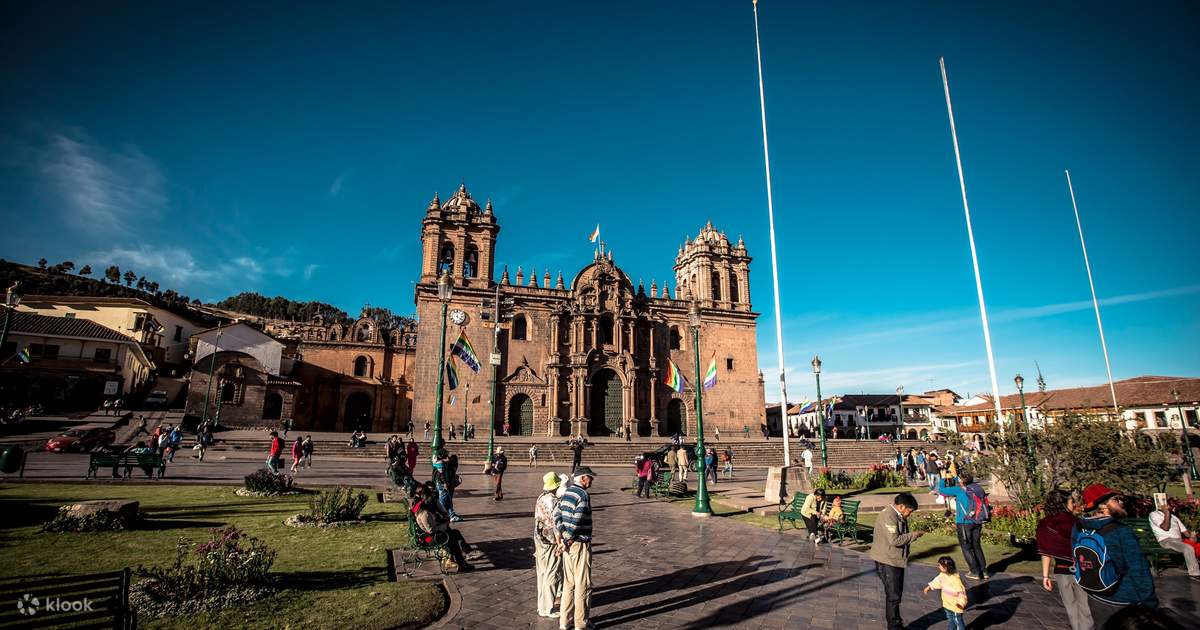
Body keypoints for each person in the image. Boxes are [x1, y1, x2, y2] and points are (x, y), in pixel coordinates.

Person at [1074, 483, 1157, 627]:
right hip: (1125, 599)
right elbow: (1138, 569)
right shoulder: (1121, 531)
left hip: (1095, 593)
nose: (1121, 502)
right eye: (1116, 499)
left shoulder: (1079, 527)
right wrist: (1150, 603)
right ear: (1103, 506)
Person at [1036, 488, 1094, 630]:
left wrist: (1045, 576)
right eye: (1071, 501)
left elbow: (1046, 552)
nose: (1073, 504)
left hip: (1061, 570)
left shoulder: (1045, 523)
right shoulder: (1076, 522)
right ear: (1063, 503)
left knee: (1071, 607)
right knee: (1086, 607)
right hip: (1082, 569)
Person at [869, 493, 925, 630]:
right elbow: (894, 540)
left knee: (895, 594)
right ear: (901, 507)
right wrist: (913, 535)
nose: (909, 514)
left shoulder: (896, 514)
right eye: (909, 511)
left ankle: (896, 623)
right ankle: (894, 627)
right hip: (888, 561)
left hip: (893, 559)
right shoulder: (889, 516)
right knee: (893, 596)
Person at [557, 466, 596, 630]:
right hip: (578, 543)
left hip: (568, 544)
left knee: (568, 583)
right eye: (590, 478)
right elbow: (577, 520)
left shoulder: (566, 492)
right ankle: (581, 623)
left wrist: (563, 536)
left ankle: (564, 622)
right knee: (583, 584)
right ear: (583, 478)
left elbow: (556, 515)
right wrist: (568, 539)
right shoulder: (583, 495)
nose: (592, 481)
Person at [935, 472, 990, 580]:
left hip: (964, 521)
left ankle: (974, 571)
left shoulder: (958, 490)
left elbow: (941, 490)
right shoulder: (978, 488)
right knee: (976, 546)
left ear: (962, 481)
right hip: (977, 520)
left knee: (966, 547)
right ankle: (983, 571)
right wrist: (955, 477)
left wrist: (943, 478)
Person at [412, 485, 475, 572]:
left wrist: (441, 524)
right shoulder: (425, 514)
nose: (432, 504)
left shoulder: (423, 511)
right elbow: (431, 530)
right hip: (429, 539)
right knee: (453, 539)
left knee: (454, 536)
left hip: (427, 536)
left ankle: (461, 562)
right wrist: (444, 525)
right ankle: (462, 561)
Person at [534, 472, 564, 618]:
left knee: (542, 572)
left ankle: (541, 605)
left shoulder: (540, 497)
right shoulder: (555, 501)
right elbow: (555, 525)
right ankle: (547, 607)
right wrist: (559, 543)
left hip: (539, 539)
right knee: (552, 573)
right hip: (551, 541)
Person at [1149, 499, 1200, 580]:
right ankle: (1194, 573)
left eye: (1173, 505)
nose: (1172, 506)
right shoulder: (1154, 514)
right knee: (1188, 548)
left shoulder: (1174, 517)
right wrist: (1167, 514)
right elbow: (1165, 528)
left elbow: (1185, 532)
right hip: (1167, 540)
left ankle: (1192, 566)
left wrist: (1192, 536)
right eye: (1170, 504)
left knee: (1196, 546)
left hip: (1179, 541)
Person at [923, 556, 968, 630]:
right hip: (947, 604)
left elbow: (961, 592)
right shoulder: (942, 575)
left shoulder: (955, 579)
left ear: (946, 567)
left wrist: (961, 603)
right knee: (950, 619)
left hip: (956, 605)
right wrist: (929, 587)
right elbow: (937, 581)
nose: (939, 567)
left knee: (958, 621)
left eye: (940, 565)